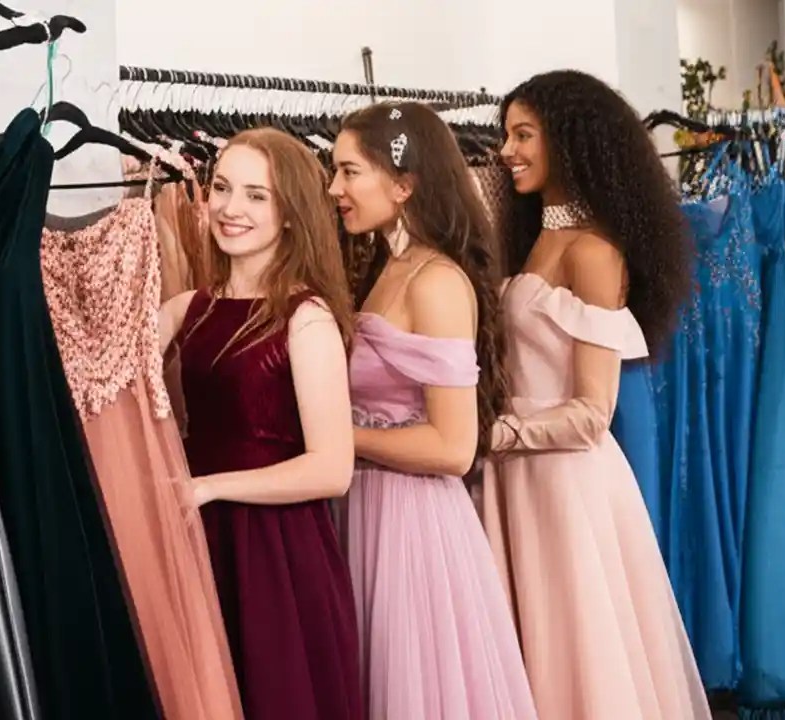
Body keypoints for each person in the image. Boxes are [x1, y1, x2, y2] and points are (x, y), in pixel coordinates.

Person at [486, 69, 711, 719]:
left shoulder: (592, 251)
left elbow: (592, 414)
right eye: (507, 135)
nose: (505, 150)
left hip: (563, 486)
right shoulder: (536, 238)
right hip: (516, 477)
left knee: (575, 660)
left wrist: (493, 434)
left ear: (569, 140)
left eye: (523, 135)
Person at [326, 102, 537, 719]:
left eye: (349, 172)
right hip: (367, 506)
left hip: (411, 525)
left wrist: (339, 437)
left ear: (403, 184)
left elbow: (453, 447)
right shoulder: (387, 266)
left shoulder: (436, 282)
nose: (334, 188)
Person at [158, 127, 361, 720]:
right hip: (202, 531)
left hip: (277, 549)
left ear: (290, 213)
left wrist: (211, 486)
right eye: (222, 188)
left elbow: (333, 469)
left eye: (256, 195)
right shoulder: (186, 309)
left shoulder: (307, 318)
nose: (230, 208)